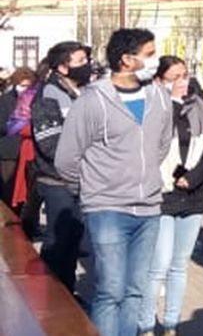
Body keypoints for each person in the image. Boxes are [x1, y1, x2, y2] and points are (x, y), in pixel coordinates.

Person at [55, 28, 174, 336]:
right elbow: (67, 159)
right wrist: (92, 190)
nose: (155, 60)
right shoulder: (93, 101)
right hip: (107, 209)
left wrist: (143, 174)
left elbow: (160, 145)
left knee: (135, 291)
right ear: (126, 59)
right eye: (149, 54)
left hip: (148, 209)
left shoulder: (159, 96)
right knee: (110, 291)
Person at [138, 57, 203, 336]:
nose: (183, 81)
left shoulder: (199, 106)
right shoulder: (152, 105)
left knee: (179, 265)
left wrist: (193, 177)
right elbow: (150, 141)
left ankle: (172, 323)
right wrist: (171, 101)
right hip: (162, 194)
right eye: (174, 76)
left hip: (192, 195)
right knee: (158, 264)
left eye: (185, 74)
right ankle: (146, 324)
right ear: (160, 80)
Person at [30, 42, 91, 294]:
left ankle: (67, 294)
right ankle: (51, 300)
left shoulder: (83, 93)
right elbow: (50, 144)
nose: (86, 65)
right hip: (57, 181)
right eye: (79, 61)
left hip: (81, 180)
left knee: (73, 241)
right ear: (63, 67)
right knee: (58, 241)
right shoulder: (48, 94)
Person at [0, 67, 36, 211]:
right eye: (22, 86)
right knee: (8, 190)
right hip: (9, 153)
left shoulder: (35, 100)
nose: (25, 89)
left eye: (28, 86)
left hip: (29, 153)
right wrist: (19, 127)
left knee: (28, 193)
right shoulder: (5, 100)